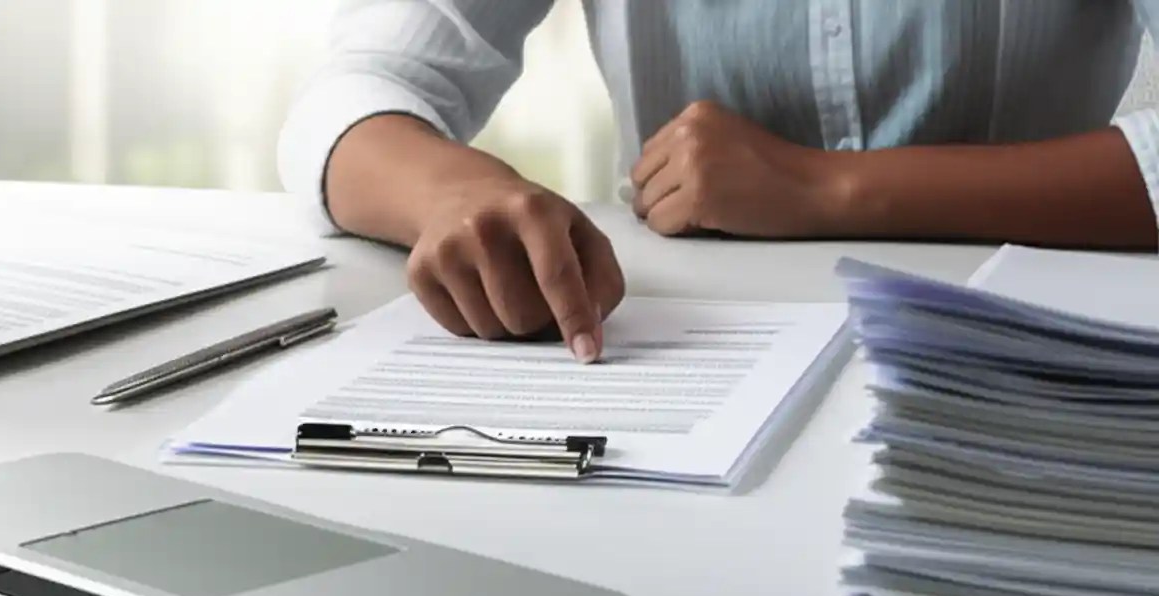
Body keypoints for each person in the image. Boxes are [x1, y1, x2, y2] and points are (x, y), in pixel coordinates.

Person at [277, 2, 1159, 363]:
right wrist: (450, 194)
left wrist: (828, 190)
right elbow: (358, 89)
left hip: (1038, 359)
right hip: (685, 364)